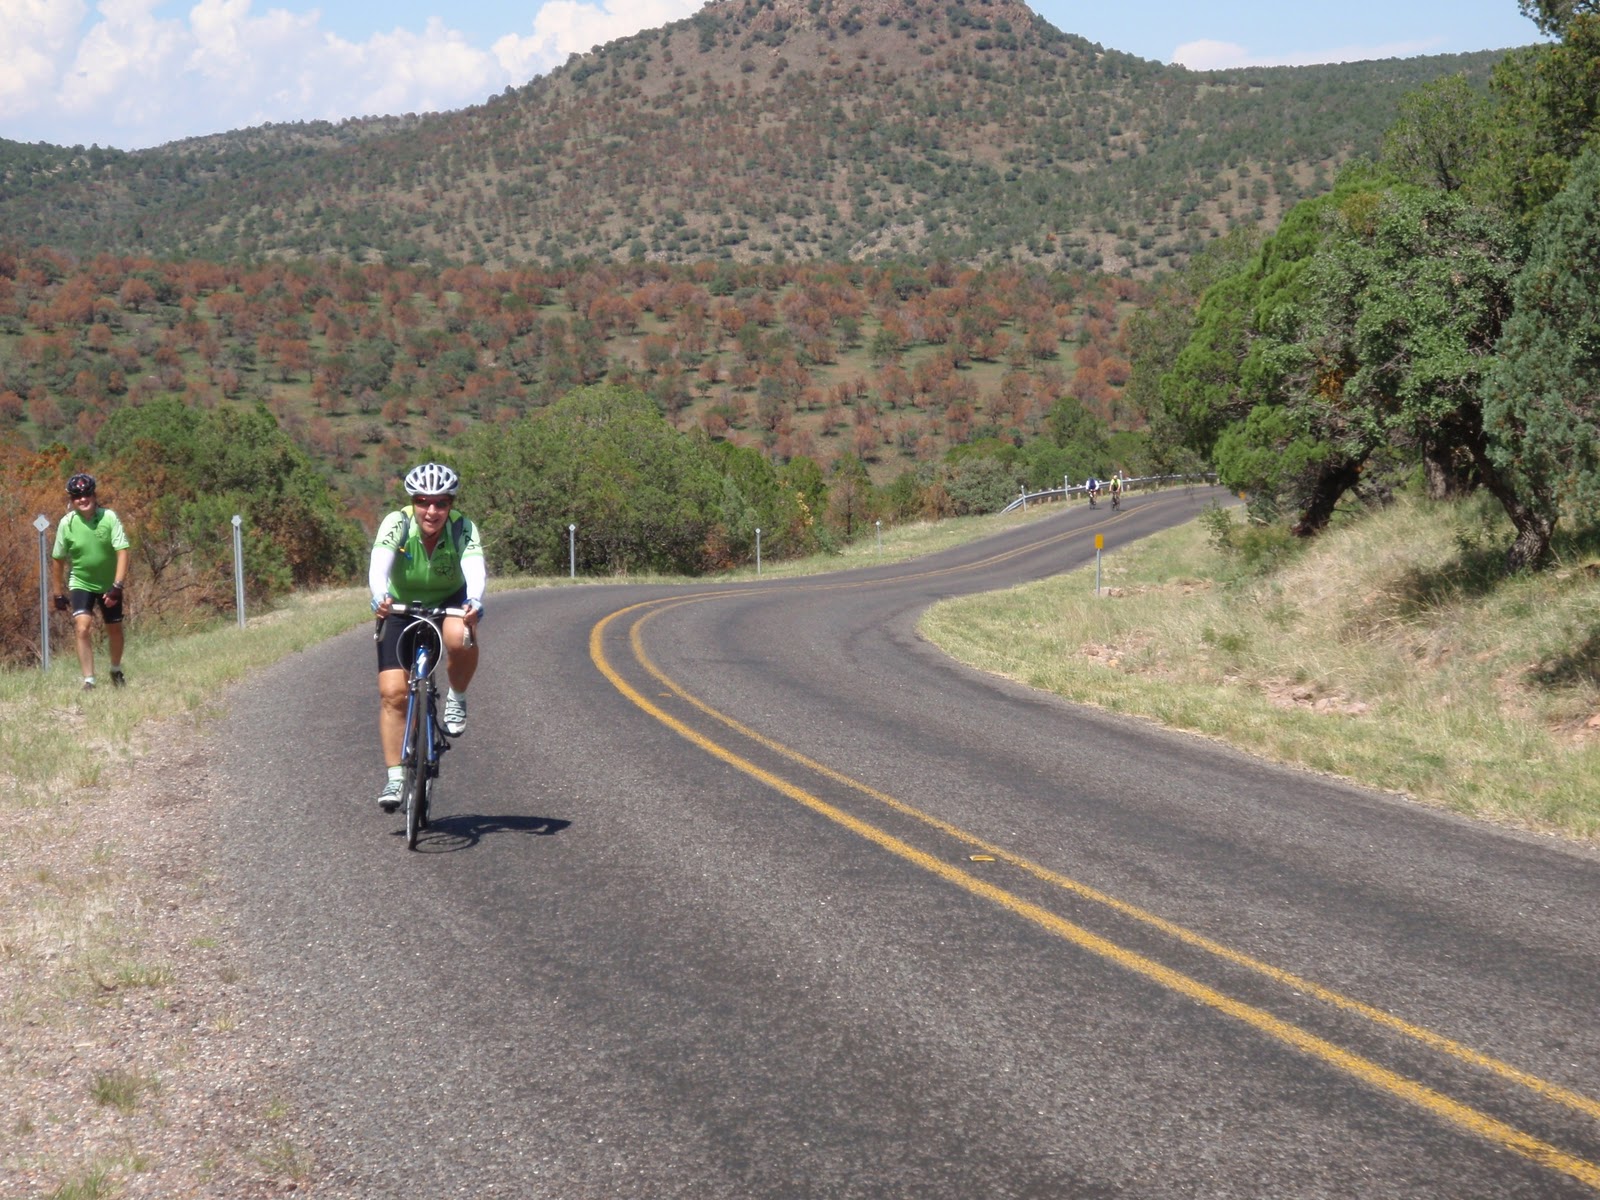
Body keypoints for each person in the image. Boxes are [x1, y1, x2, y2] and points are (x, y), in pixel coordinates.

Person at [368, 462, 485, 812]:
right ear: (413, 502)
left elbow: (475, 569)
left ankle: (457, 697)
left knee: (459, 635)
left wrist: (474, 601)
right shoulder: (398, 523)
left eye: (441, 503)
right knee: (393, 694)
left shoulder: (462, 528)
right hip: (400, 606)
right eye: (422, 501)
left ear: (451, 505)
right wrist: (379, 596)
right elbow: (379, 564)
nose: (431, 510)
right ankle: (394, 777)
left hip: (448, 602)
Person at [50, 473, 131, 691]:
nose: (83, 500)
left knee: (114, 629)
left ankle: (115, 669)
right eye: (77, 497)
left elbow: (122, 551)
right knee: (82, 628)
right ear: (71, 500)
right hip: (81, 582)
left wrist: (117, 586)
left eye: (86, 494)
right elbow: (58, 559)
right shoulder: (67, 523)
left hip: (109, 584)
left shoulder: (109, 518)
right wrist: (57, 593)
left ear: (94, 495)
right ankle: (89, 680)